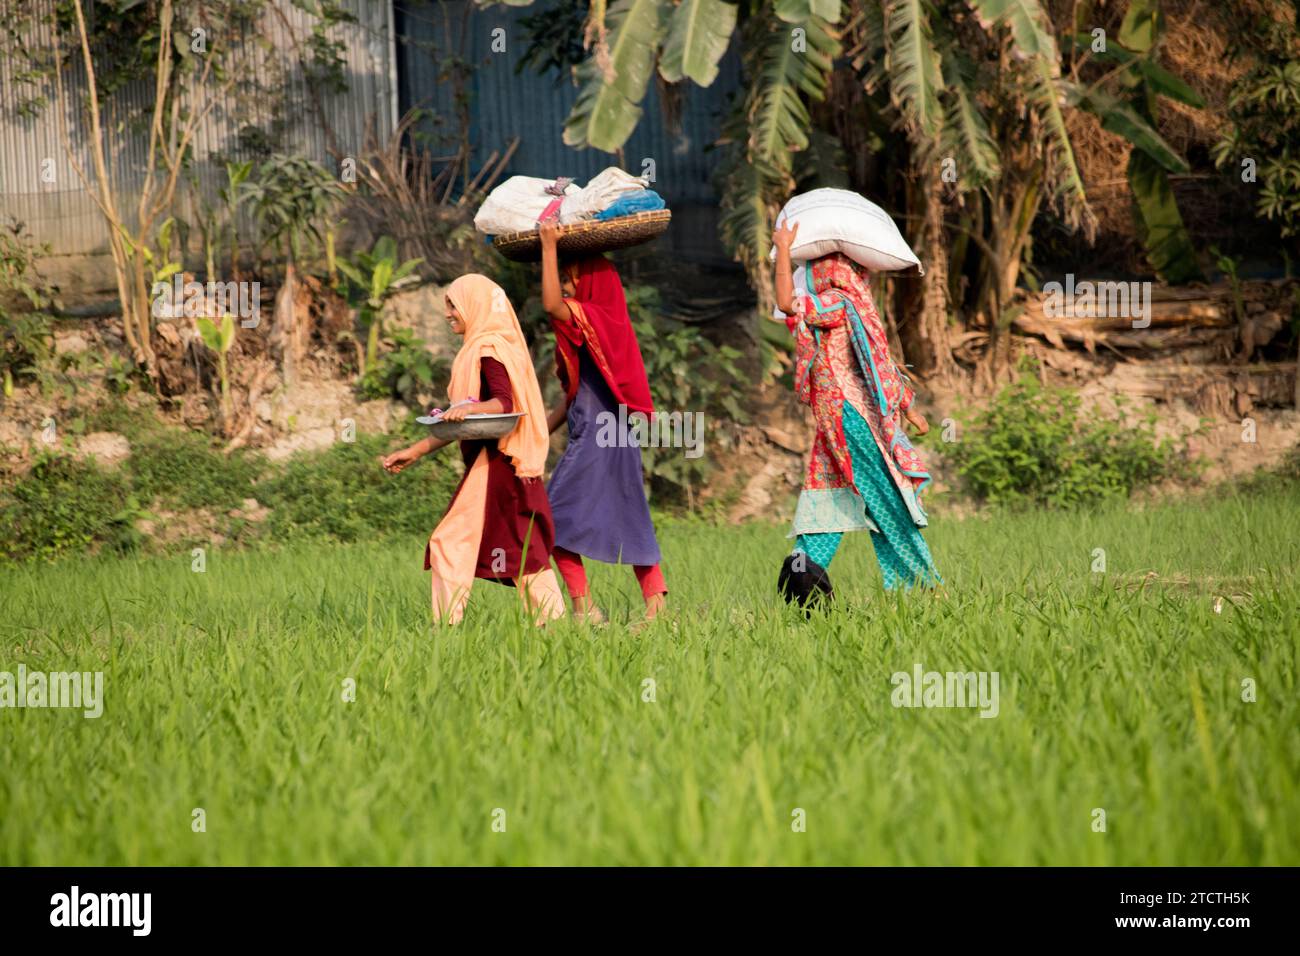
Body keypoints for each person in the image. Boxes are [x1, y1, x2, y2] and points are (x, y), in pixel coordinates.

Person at [770, 220, 940, 607]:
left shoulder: (838, 305)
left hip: (841, 419)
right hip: (849, 420)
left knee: (827, 500)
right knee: (888, 501)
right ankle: (924, 587)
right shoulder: (836, 304)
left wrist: (908, 408)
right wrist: (783, 247)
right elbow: (785, 303)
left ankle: (803, 580)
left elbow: (875, 361)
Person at [381, 273, 565, 626]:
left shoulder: (488, 350)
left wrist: (471, 408)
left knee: (449, 543)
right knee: (523, 551)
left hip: (499, 460)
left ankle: (444, 632)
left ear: (474, 305)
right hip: (500, 461)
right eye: (447, 305)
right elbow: (462, 419)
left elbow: (502, 402)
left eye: (454, 304)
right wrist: (416, 450)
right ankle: (554, 629)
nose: (448, 313)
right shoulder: (483, 348)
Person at [537, 220, 667, 623]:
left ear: (592, 282)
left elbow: (550, 306)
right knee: (627, 517)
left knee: (550, 518)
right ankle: (652, 609)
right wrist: (539, 431)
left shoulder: (598, 319)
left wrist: (547, 247)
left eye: (570, 279)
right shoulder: (593, 328)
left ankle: (587, 608)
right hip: (603, 435)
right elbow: (573, 396)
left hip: (599, 437)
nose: (566, 287)